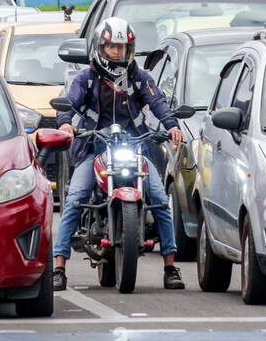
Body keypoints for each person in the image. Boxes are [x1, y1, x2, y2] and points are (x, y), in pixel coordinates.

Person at [54, 17, 187, 292]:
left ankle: (170, 267)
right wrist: (66, 122)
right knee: (75, 198)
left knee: (161, 201)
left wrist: (172, 125)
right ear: (100, 48)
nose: (117, 53)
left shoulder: (139, 77)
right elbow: (69, 102)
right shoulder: (86, 78)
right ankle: (58, 267)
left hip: (134, 148)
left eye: (122, 48)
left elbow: (157, 101)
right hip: (94, 148)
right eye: (112, 47)